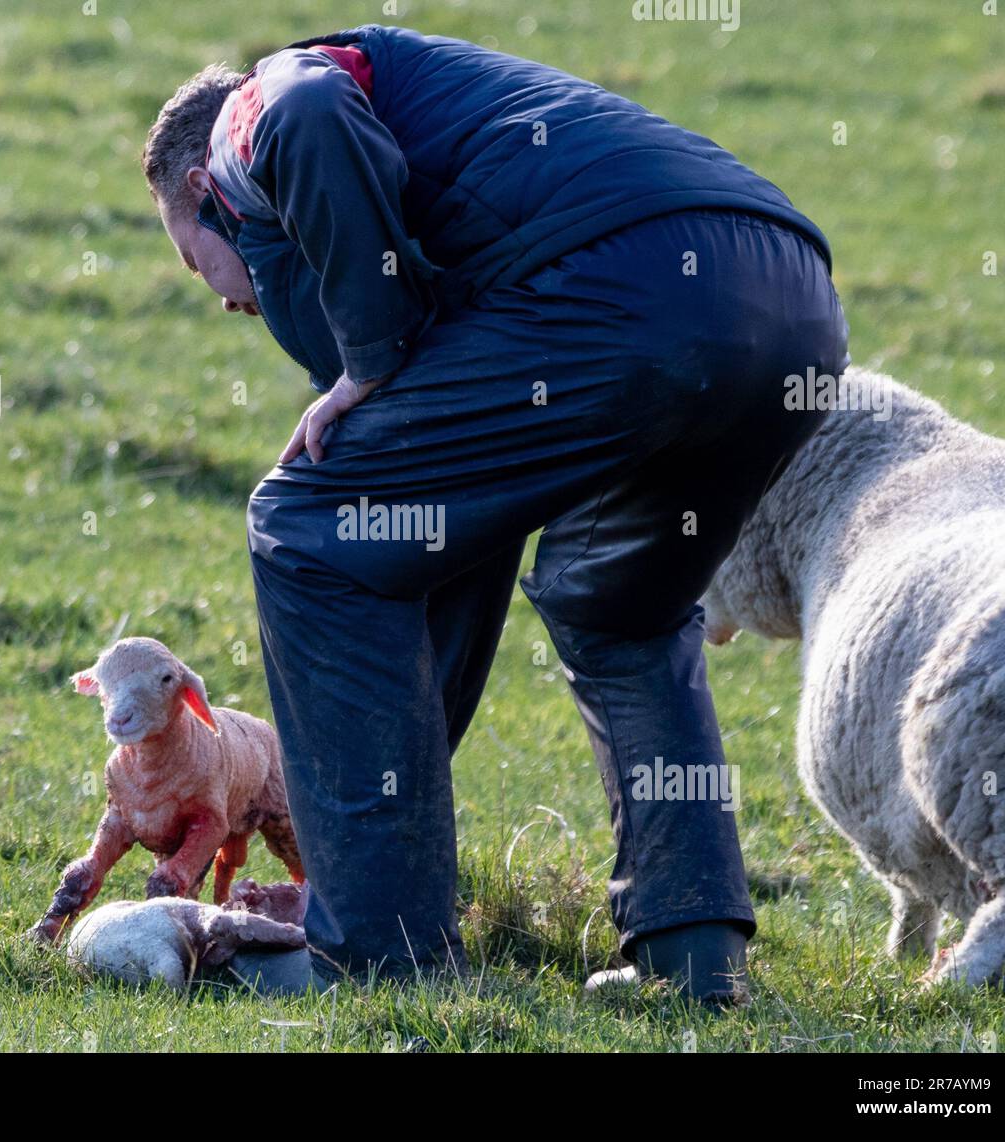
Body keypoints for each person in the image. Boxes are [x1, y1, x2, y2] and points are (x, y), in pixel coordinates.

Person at [141, 24, 848, 1003]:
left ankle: (380, 957)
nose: (222, 301)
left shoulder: (246, 123)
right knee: (616, 607)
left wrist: (371, 356)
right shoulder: (423, 153)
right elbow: (433, 550)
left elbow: (306, 112)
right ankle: (694, 960)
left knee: (307, 527)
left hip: (623, 284)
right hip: (789, 303)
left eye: (192, 261)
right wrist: (353, 833)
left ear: (197, 199)